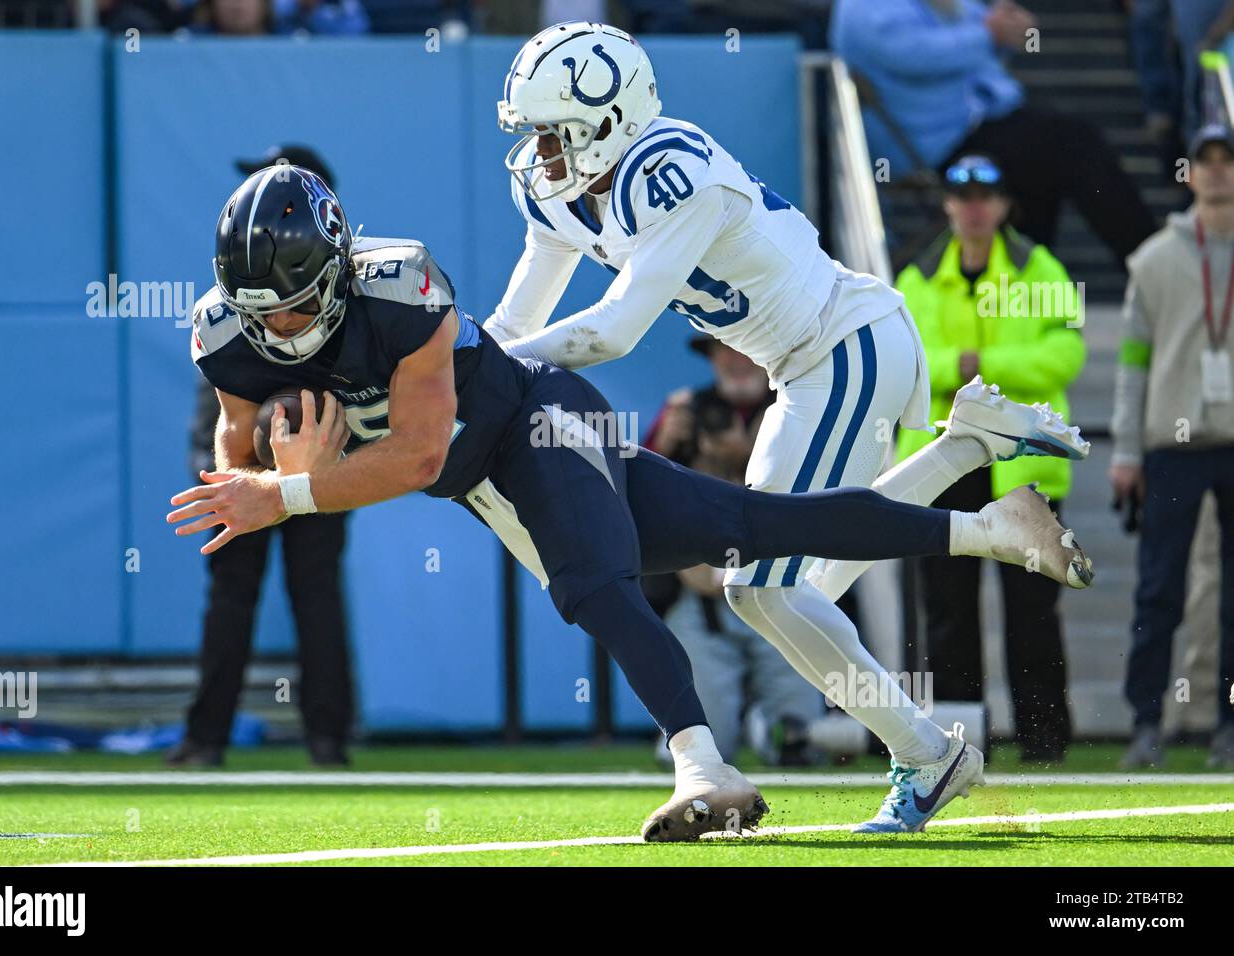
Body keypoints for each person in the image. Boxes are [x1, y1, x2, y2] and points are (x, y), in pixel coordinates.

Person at [166, 165, 1092, 840]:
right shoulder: (225, 332)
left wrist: (287, 492)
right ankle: (988, 523)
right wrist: (255, 465)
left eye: (293, 309)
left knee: (594, 587)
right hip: (482, 483)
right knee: (749, 530)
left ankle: (705, 768)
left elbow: (413, 458)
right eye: (260, 314)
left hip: (532, 417)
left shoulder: (402, 287)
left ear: (333, 271)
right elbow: (234, 436)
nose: (277, 330)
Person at [484, 21, 1090, 832]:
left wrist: (483, 376)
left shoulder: (671, 171)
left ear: (611, 119)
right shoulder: (558, 192)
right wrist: (453, 370)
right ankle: (968, 451)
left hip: (842, 345)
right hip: (807, 365)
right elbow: (513, 321)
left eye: (554, 134)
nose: (542, 155)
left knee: (760, 584)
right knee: (791, 589)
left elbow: (615, 328)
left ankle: (931, 751)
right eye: (535, 135)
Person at [896, 154, 1083, 763]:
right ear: (949, 204)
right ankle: (959, 739)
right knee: (947, 609)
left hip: (1021, 466)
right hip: (943, 464)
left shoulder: (1040, 266)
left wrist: (980, 372)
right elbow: (908, 359)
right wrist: (965, 369)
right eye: (962, 195)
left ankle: (1044, 739)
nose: (974, 207)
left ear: (1004, 205)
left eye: (987, 195)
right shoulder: (916, 275)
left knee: (1032, 605)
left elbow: (1065, 355)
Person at [170, 145, 352, 769]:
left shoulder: (352, 303)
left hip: (315, 462)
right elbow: (222, 408)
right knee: (250, 597)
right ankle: (210, 736)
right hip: (248, 459)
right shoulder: (228, 304)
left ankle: (322, 737)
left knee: (310, 594)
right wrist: (227, 469)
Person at [830, 0, 1156, 269]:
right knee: (1073, 146)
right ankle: (1152, 267)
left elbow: (981, 25)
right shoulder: (861, 8)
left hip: (988, 123)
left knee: (1046, 163)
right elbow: (916, 54)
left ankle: (1026, 285)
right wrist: (988, 32)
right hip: (934, 145)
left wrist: (1005, 24)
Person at [1111, 123, 1234, 770]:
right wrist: (1126, 450)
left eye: (1227, 161)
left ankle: (1228, 727)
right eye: (1205, 162)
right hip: (1173, 444)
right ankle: (1146, 722)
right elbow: (1133, 364)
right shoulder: (1156, 259)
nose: (1217, 173)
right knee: (1159, 589)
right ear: (1188, 174)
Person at [644, 337, 826, 765]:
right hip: (703, 596)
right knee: (700, 751)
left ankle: (766, 728)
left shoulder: (796, 406)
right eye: (723, 350)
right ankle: (724, 730)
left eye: (744, 348)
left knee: (802, 744)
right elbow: (638, 483)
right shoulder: (685, 409)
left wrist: (755, 458)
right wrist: (665, 446)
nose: (736, 359)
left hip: (782, 590)